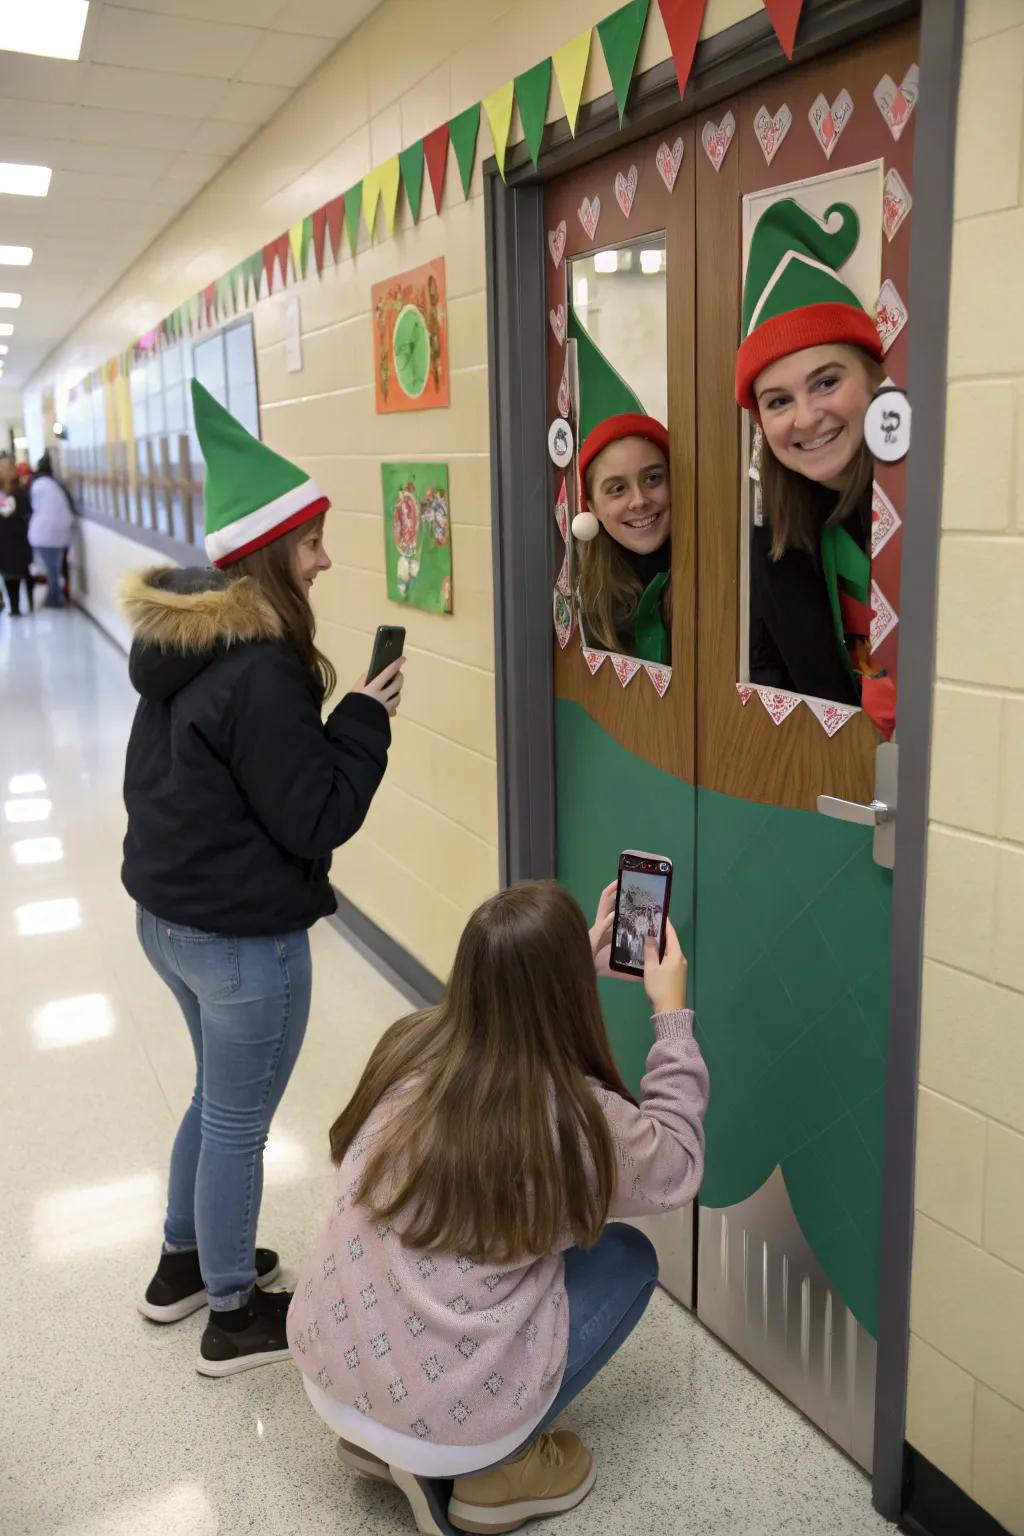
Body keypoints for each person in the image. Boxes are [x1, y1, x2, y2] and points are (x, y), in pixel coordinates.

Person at [121, 380, 406, 1377]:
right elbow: (317, 814)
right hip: (242, 938)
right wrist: (366, 720)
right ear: (272, 550)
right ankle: (233, 1314)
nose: (326, 560)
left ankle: (183, 1263)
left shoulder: (185, 640)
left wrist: (336, 723)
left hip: (169, 922)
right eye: (314, 542)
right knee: (239, 1118)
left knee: (213, 1099)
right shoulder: (262, 665)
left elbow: (206, 784)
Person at [287, 880, 708, 1535]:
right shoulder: (571, 1119)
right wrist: (671, 1014)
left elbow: (516, 1019)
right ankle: (496, 1474)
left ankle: (381, 1444)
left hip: (333, 1373)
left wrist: (567, 965)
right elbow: (675, 1165)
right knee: (627, 1256)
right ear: (564, 992)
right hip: (450, 1419)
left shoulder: (412, 1043)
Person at [735, 198, 894, 737]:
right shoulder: (768, 531)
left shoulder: (930, 509)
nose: (806, 418)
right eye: (777, 401)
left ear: (874, 382)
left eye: (827, 382)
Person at [571, 413, 671, 664]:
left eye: (652, 478)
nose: (639, 500)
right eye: (617, 489)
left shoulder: (719, 572)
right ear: (592, 507)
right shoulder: (584, 590)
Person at [27, 452, 76, 608]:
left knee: (52, 569)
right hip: (60, 532)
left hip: (44, 533)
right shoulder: (56, 484)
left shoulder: (37, 484)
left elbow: (33, 507)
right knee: (53, 568)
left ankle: (55, 598)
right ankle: (53, 596)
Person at [0, 455, 33, 617]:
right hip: (3, 540)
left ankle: (20, 604)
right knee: (7, 574)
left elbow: (27, 512)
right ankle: (14, 607)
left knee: (19, 571)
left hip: (18, 539)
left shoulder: (19, 492)